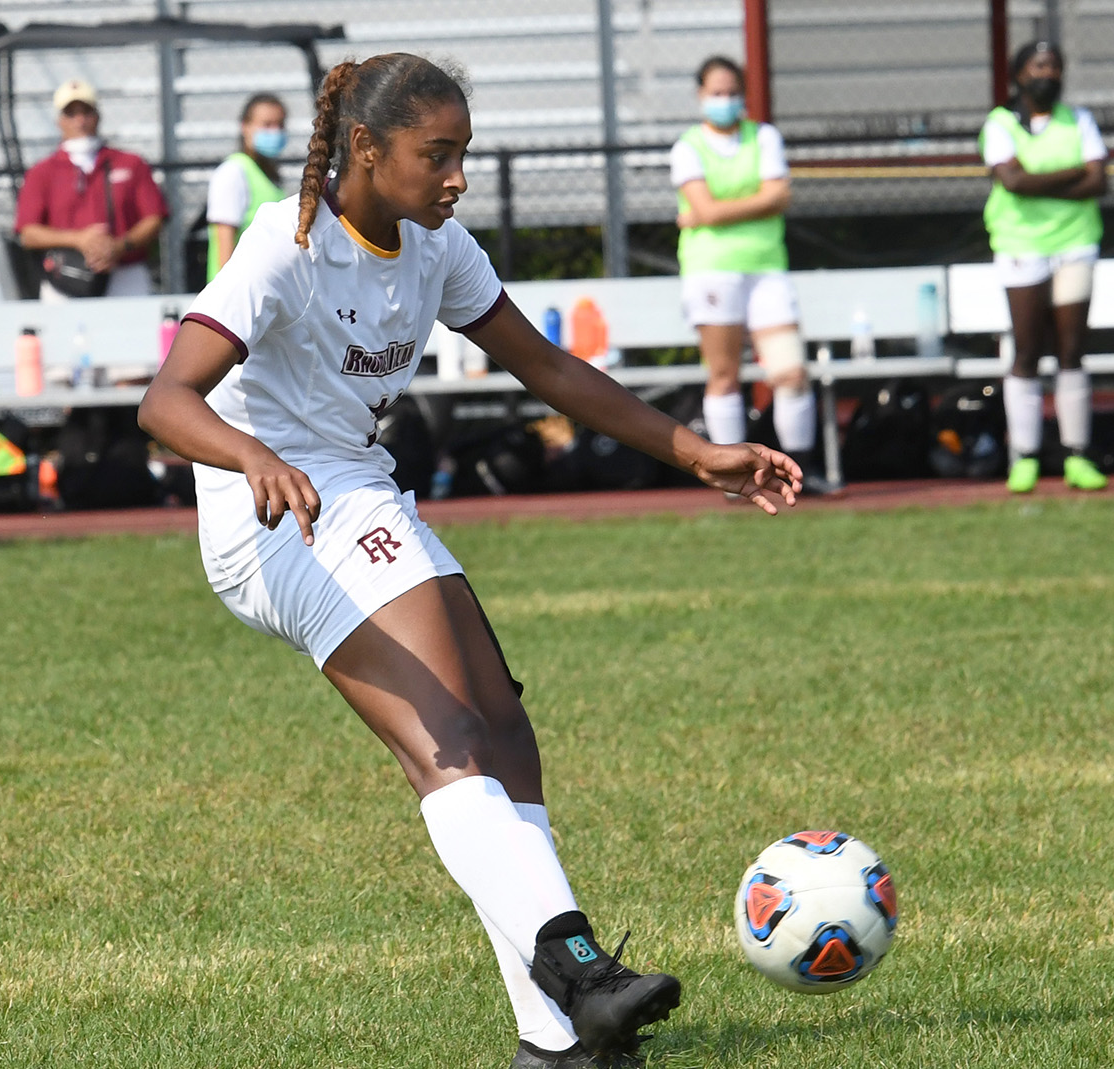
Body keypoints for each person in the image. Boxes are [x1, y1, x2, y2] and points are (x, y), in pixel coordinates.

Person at [138, 52, 802, 1069]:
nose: (455, 178)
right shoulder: (286, 242)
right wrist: (253, 455)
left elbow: (543, 364)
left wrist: (695, 451)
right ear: (364, 147)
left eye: (464, 155)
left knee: (502, 730)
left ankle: (560, 1041)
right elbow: (166, 400)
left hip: (352, 487)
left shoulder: (436, 245)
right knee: (445, 736)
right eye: (434, 154)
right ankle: (576, 966)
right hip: (266, 511)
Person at [673, 56, 831, 492]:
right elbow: (745, 200)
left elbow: (776, 197)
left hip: (766, 270)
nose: (726, 100)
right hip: (712, 273)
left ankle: (800, 470)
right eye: (716, 92)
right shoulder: (688, 146)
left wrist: (711, 214)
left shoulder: (763, 136)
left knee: (790, 371)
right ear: (701, 95)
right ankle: (731, 476)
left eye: (732, 91)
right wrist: (748, 202)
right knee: (724, 375)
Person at [980, 41, 1111, 494]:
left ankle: (1077, 454)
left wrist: (1037, 185)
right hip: (1021, 246)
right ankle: (1026, 455)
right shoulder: (999, 125)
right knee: (1027, 351)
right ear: (1019, 75)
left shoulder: (1080, 120)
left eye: (1055, 66)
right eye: (1039, 66)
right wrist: (1072, 175)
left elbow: (1100, 181)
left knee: (1072, 351)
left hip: (1075, 245)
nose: (1048, 74)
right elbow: (1012, 181)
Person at [14, 79, 169, 300]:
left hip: (125, 273)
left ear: (97, 115)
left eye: (86, 112)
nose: (80, 121)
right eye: (71, 113)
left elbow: (154, 217)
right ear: (59, 120)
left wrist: (118, 246)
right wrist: (79, 240)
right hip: (66, 277)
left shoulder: (130, 163)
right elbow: (28, 233)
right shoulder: (42, 172)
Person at [206, 93, 291, 282]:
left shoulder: (268, 175)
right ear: (245, 127)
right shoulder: (233, 172)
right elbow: (224, 241)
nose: (275, 132)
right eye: (267, 125)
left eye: (280, 125)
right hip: (241, 293)